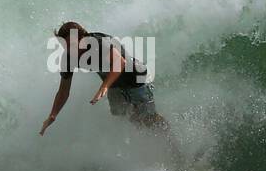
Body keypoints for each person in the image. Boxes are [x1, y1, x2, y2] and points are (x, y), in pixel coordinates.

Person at [39, 21, 169, 136]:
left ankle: (171, 142)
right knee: (121, 118)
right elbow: (63, 91)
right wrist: (53, 115)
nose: (69, 50)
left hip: (136, 79)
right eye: (65, 46)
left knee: (149, 119)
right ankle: (143, 144)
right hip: (114, 85)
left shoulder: (99, 42)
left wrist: (104, 87)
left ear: (83, 38)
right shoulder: (68, 57)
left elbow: (120, 62)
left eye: (72, 45)